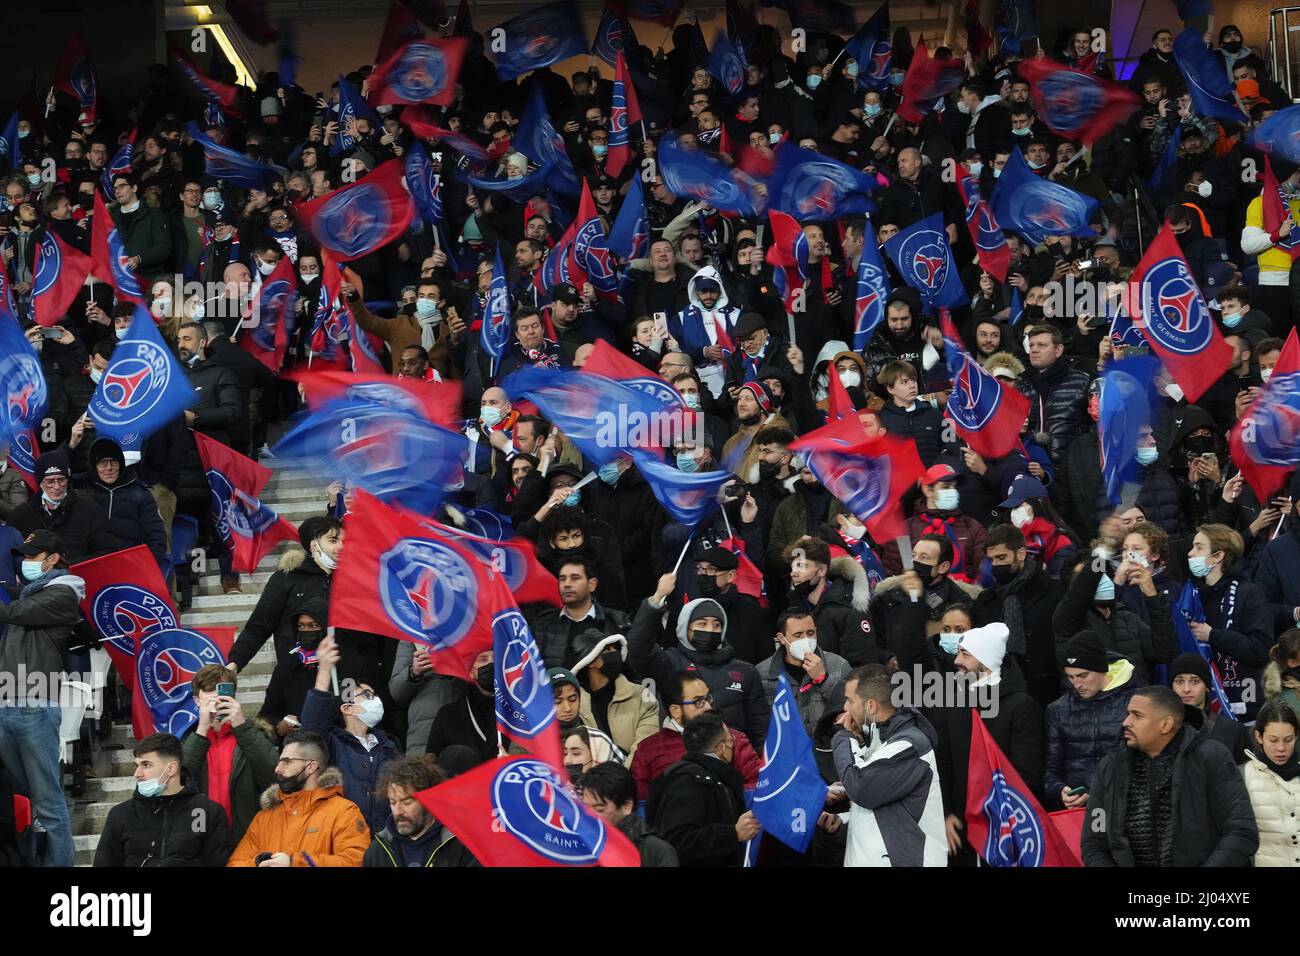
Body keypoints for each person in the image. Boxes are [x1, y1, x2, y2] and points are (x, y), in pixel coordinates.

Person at [1082, 686, 1259, 867]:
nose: (1126, 722)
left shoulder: (1211, 757)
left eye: (1137, 715)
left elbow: (1241, 831)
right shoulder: (1110, 767)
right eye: (1128, 714)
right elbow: (1094, 843)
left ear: (1165, 724)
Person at [0, 529, 82, 867]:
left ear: (52, 560)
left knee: (47, 802)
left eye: (32, 556)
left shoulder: (64, 592)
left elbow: (16, 612)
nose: (25, 561)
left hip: (35, 705)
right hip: (6, 703)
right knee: (21, 801)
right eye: (23, 555)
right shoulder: (29, 593)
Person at [626, 572, 770, 747]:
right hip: (682, 756)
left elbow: (761, 730)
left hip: (734, 758)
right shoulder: (669, 663)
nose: (710, 629)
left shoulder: (745, 671)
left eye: (716, 625)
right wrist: (656, 599)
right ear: (685, 627)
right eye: (701, 624)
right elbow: (637, 650)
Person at [833, 664, 947, 867]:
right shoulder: (879, 740)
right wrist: (843, 821)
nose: (845, 708)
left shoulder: (910, 746)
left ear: (871, 706)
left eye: (850, 700)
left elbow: (861, 787)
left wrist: (844, 738)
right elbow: (891, 812)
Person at [300, 634, 402, 834]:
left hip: (385, 843)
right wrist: (325, 671)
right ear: (347, 708)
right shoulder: (333, 744)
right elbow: (310, 732)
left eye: (374, 695)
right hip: (345, 838)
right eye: (366, 695)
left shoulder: (390, 746)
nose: (375, 700)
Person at [227, 730, 370, 867]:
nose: (277, 768)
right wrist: (259, 863)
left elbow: (355, 862)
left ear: (311, 767)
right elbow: (236, 863)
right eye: (279, 761)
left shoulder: (344, 812)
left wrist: (295, 863)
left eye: (286, 761)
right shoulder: (264, 817)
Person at [94, 732, 231, 867]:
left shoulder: (209, 812)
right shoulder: (120, 814)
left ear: (171, 768)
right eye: (137, 765)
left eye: (146, 765)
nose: (137, 774)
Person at [646, 713, 761, 867]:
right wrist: (733, 833)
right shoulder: (688, 781)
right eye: (730, 741)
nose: (733, 746)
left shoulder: (706, 778)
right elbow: (677, 840)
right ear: (722, 748)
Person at [183, 664, 279, 848]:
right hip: (202, 838)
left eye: (222, 695)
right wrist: (202, 730)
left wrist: (242, 726)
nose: (217, 703)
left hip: (247, 838)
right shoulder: (188, 740)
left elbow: (274, 776)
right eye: (210, 697)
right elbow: (181, 781)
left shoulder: (251, 734)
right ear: (196, 701)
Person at [629, 671, 763, 801]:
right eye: (698, 702)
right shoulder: (647, 750)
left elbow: (760, 785)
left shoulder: (734, 738)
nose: (708, 707)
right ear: (676, 711)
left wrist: (719, 796)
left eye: (708, 698)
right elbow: (640, 800)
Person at [1186, 524, 1274, 720]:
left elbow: (1260, 649)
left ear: (1218, 556)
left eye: (1199, 547)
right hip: (1206, 710)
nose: (1191, 553)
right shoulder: (1191, 596)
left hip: (1248, 707)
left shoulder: (1249, 594)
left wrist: (1213, 636)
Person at [1043, 632, 1138, 810]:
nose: (1077, 684)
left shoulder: (1136, 703)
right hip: (1079, 812)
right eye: (1070, 677)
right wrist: (1060, 792)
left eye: (1083, 675)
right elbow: (1050, 772)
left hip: (1127, 809)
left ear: (1102, 669)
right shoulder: (1057, 710)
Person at [974, 524, 1065, 709]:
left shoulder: (1054, 591)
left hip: (1048, 691)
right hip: (1001, 693)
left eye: (1002, 557)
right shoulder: (985, 601)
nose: (996, 565)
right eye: (991, 560)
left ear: (1021, 554)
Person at [362, 755, 479, 867]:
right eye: (393, 802)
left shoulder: (462, 846)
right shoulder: (377, 852)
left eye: (407, 802)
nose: (398, 811)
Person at [783, 536, 876, 666]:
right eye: (792, 567)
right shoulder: (792, 607)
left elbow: (861, 666)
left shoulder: (848, 610)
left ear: (821, 570)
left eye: (801, 566)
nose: (794, 573)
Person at [7, 450, 111, 564]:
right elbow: (8, 553)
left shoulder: (91, 510)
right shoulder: (22, 514)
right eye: (50, 481)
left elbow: (105, 553)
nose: (57, 487)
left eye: (61, 480)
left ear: (68, 479)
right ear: (40, 482)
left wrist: (64, 566)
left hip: (78, 578)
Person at [569, 628, 659, 757]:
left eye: (615, 649)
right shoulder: (575, 704)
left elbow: (646, 747)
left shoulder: (641, 696)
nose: (615, 653)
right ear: (591, 661)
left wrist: (622, 775)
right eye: (607, 650)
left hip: (634, 774)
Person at [83, 437, 168, 572]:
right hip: (93, 566)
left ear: (121, 463)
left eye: (114, 462)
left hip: (131, 565)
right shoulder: (83, 493)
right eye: (103, 463)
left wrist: (148, 566)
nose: (109, 468)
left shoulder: (140, 494)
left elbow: (156, 536)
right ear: (94, 466)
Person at [758, 611, 850, 735]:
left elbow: (852, 707)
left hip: (826, 748)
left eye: (810, 633)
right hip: (786, 750)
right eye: (798, 635)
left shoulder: (839, 666)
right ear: (782, 638)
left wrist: (823, 679)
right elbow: (758, 724)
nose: (806, 640)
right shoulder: (762, 673)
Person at [531, 557, 629, 669]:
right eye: (562, 579)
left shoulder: (618, 622)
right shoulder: (542, 626)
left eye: (575, 578)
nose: (567, 584)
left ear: (592, 585)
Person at [579, 762, 679, 866]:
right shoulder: (579, 846)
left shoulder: (655, 851)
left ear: (626, 806)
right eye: (585, 808)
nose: (589, 815)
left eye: (599, 809)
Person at [1241, 700, 1300, 867]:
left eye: (1288, 740)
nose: (1281, 748)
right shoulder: (1243, 776)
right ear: (1259, 737)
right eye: (1273, 740)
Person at [1167, 652, 1251, 765]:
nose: (1186, 689)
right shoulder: (1161, 729)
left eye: (1195, 681)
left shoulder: (1233, 731)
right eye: (1179, 681)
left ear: (1207, 687)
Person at [425, 650, 502, 765]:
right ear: (470, 672)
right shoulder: (448, 715)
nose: (490, 665)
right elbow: (431, 763)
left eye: (496, 659)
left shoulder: (517, 714)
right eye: (483, 660)